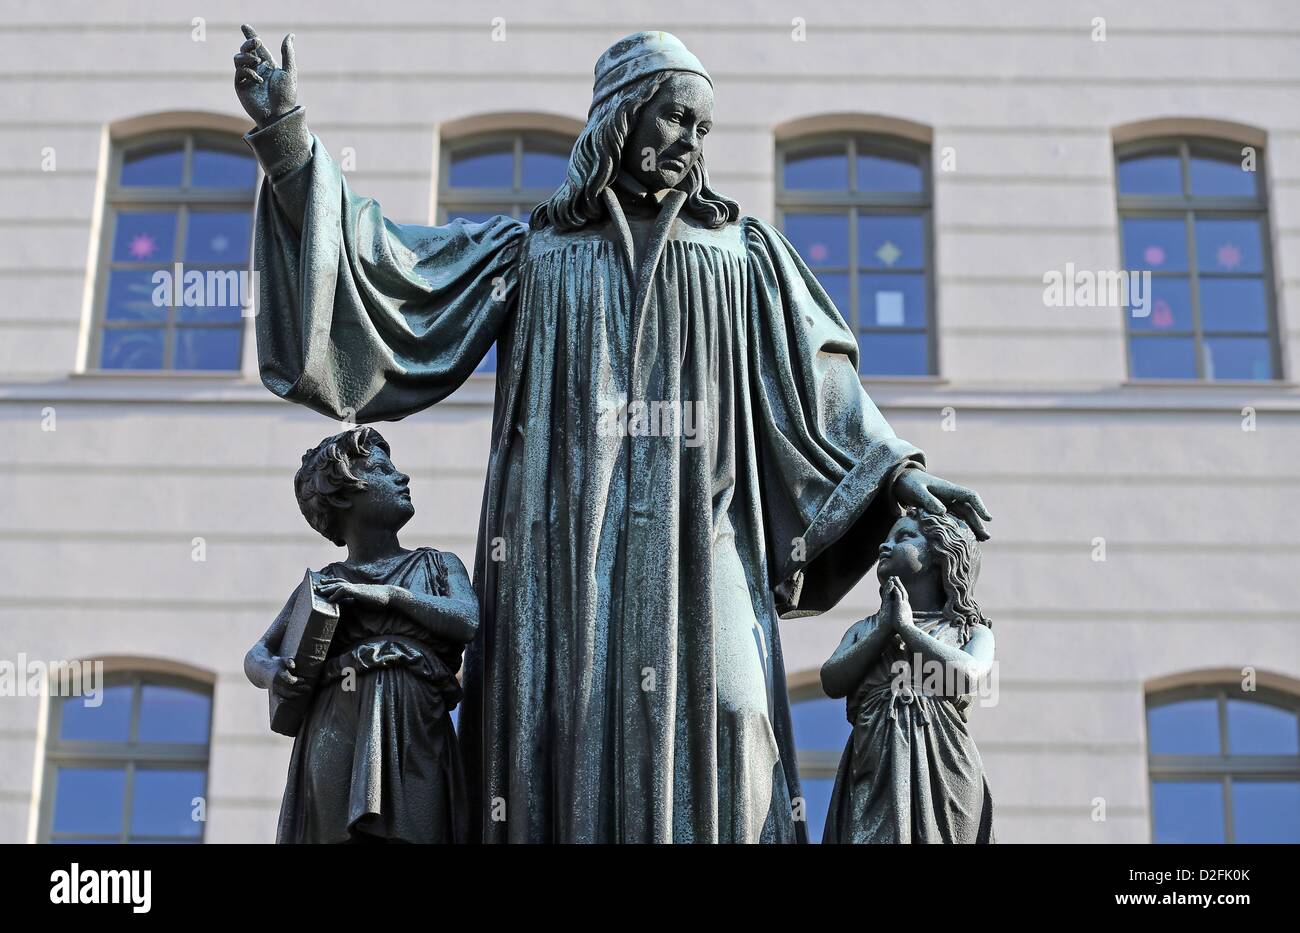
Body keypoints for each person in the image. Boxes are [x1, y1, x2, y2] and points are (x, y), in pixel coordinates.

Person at [233, 26, 992, 843]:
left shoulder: (743, 253)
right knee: (558, 724)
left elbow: (824, 391)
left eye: (702, 128)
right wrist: (288, 144)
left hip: (705, 538)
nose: (690, 142)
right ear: (623, 117)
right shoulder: (532, 252)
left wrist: (901, 478)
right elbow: (393, 281)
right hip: (557, 553)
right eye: (675, 118)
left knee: (736, 711)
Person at [244, 426, 478, 843]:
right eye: (384, 470)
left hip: (415, 725)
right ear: (344, 495)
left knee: (423, 830)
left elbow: (465, 620)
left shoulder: (438, 565)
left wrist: (388, 596)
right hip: (338, 724)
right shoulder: (324, 583)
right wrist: (272, 672)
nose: (402, 478)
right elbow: (258, 653)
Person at [820, 508, 996, 843]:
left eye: (903, 537)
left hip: (945, 766)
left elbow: (967, 675)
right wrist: (885, 629)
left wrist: (905, 628)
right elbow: (832, 680)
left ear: (939, 556)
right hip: (874, 763)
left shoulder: (970, 631)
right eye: (886, 539)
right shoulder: (865, 629)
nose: (885, 546)